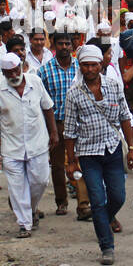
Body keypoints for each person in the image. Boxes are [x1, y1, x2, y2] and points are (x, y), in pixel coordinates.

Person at [62, 44, 133, 265]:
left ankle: (104, 219)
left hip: (113, 148)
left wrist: (131, 148)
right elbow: (69, 130)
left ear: (101, 65)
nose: (89, 69)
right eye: (85, 65)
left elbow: (125, 117)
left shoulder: (114, 85)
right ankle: (107, 246)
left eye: (93, 65)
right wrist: (71, 161)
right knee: (97, 200)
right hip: (88, 153)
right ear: (80, 66)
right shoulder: (73, 93)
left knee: (118, 196)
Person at [0, 51, 57, 238]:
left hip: (38, 143)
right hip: (11, 146)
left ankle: (31, 208)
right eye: (8, 72)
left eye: (16, 70)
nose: (13, 76)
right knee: (17, 186)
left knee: (40, 181)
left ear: (22, 67)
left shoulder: (35, 82)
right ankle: (25, 224)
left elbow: (47, 107)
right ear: (3, 72)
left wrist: (54, 133)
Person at [38, 31, 91, 220]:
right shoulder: (44, 71)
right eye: (60, 44)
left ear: (72, 45)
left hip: (81, 122)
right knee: (58, 165)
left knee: (82, 162)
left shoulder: (81, 67)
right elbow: (41, 102)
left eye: (67, 44)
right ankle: (61, 201)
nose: (64, 47)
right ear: (53, 45)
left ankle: (83, 204)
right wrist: (49, 129)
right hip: (57, 123)